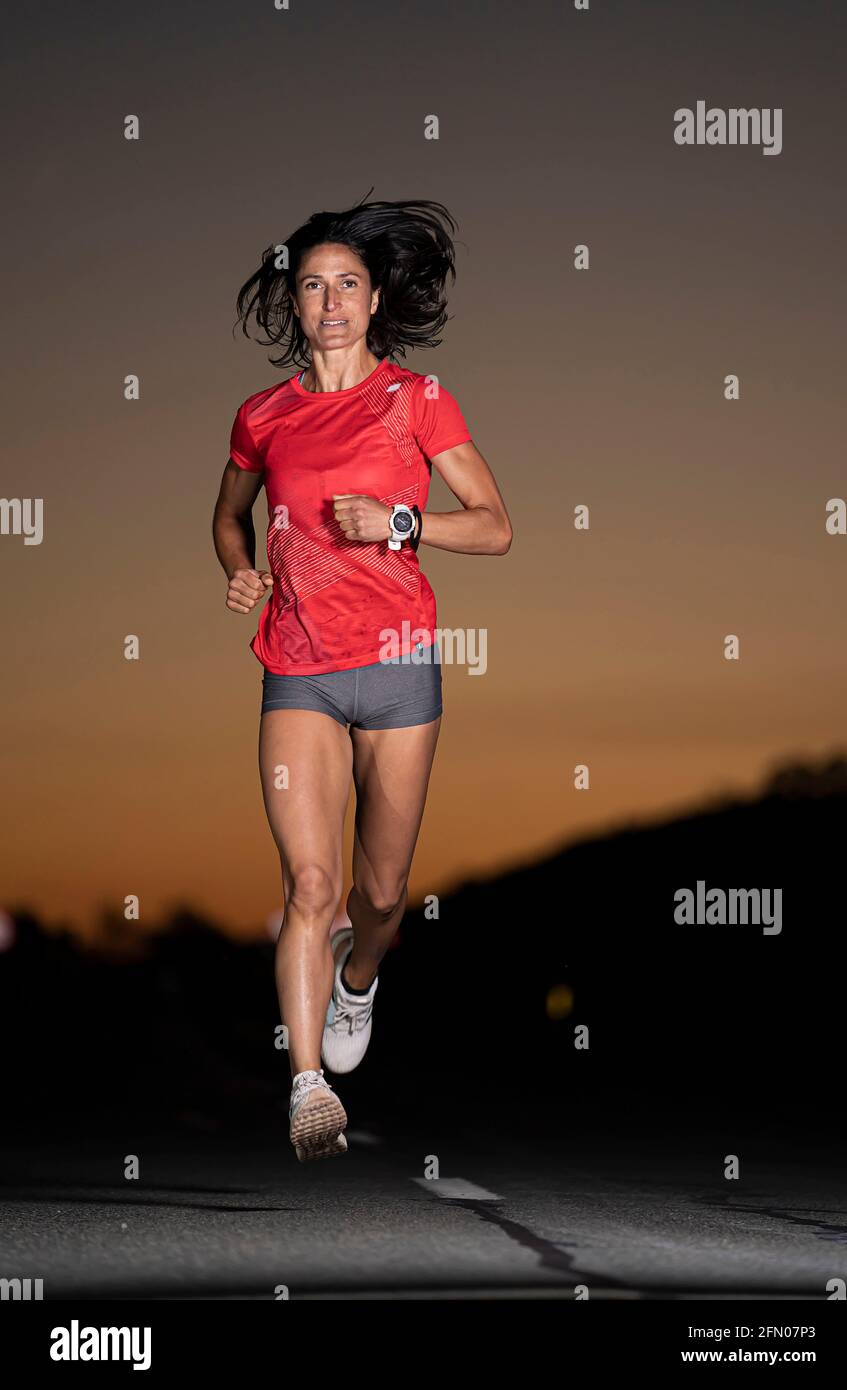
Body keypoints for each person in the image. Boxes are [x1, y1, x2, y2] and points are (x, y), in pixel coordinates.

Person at [212, 196, 512, 1161]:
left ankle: (361, 977)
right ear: (294, 306)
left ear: (374, 298)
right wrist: (240, 567)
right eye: (312, 286)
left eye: (347, 283)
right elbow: (228, 514)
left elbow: (496, 526)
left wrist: (399, 523)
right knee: (311, 882)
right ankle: (306, 1090)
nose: (330, 300)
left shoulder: (417, 402)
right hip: (297, 667)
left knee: (380, 896)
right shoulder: (264, 415)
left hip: (397, 669)